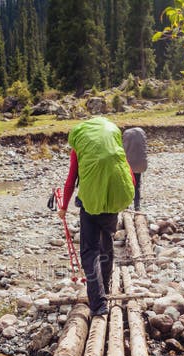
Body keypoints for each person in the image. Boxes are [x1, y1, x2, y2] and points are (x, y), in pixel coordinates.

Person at [58, 117, 135, 316]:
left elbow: (71, 180)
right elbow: (128, 173)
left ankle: (98, 304)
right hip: (112, 202)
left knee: (90, 251)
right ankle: (106, 288)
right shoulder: (113, 144)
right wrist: (124, 197)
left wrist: (63, 207)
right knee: (106, 243)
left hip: (90, 205)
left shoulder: (80, 148)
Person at [122, 127, 148, 211]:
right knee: (137, 184)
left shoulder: (126, 137)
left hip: (128, 164)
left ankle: (126, 205)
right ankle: (137, 206)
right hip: (139, 163)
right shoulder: (141, 136)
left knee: (127, 184)